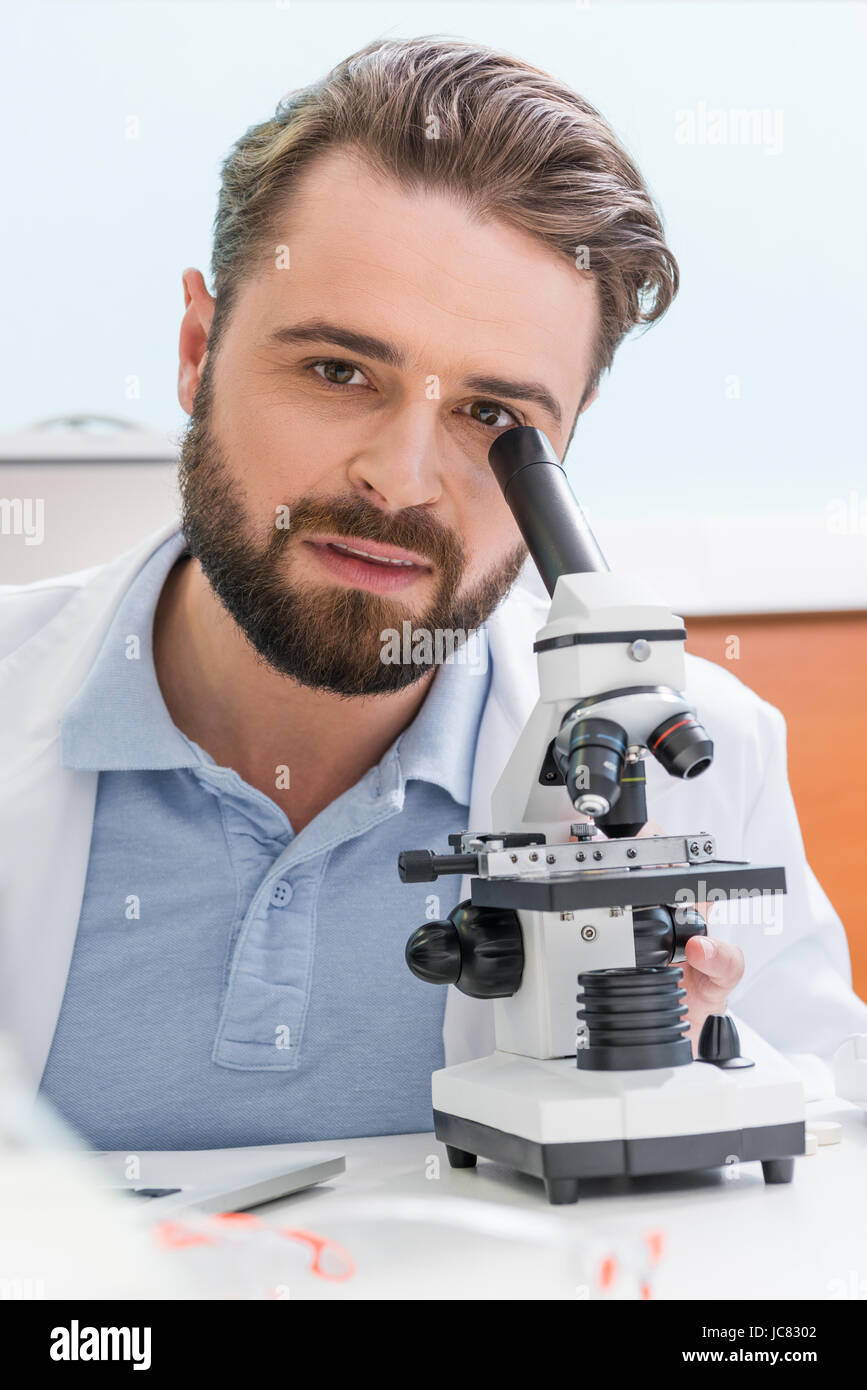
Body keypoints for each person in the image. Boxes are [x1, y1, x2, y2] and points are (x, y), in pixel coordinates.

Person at [1, 37, 863, 1150]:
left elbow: (827, 1144)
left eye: (494, 417)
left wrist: (698, 1082)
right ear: (197, 347)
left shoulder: (707, 755)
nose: (400, 483)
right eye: (338, 372)